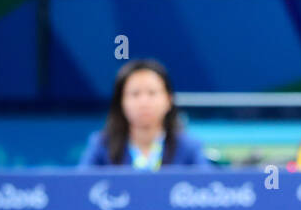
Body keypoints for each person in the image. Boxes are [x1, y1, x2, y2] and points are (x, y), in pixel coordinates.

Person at [78, 59, 209, 169]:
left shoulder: (189, 147)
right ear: (121, 102)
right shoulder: (101, 145)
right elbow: (78, 187)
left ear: (169, 100)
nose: (144, 102)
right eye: (135, 94)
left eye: (152, 93)